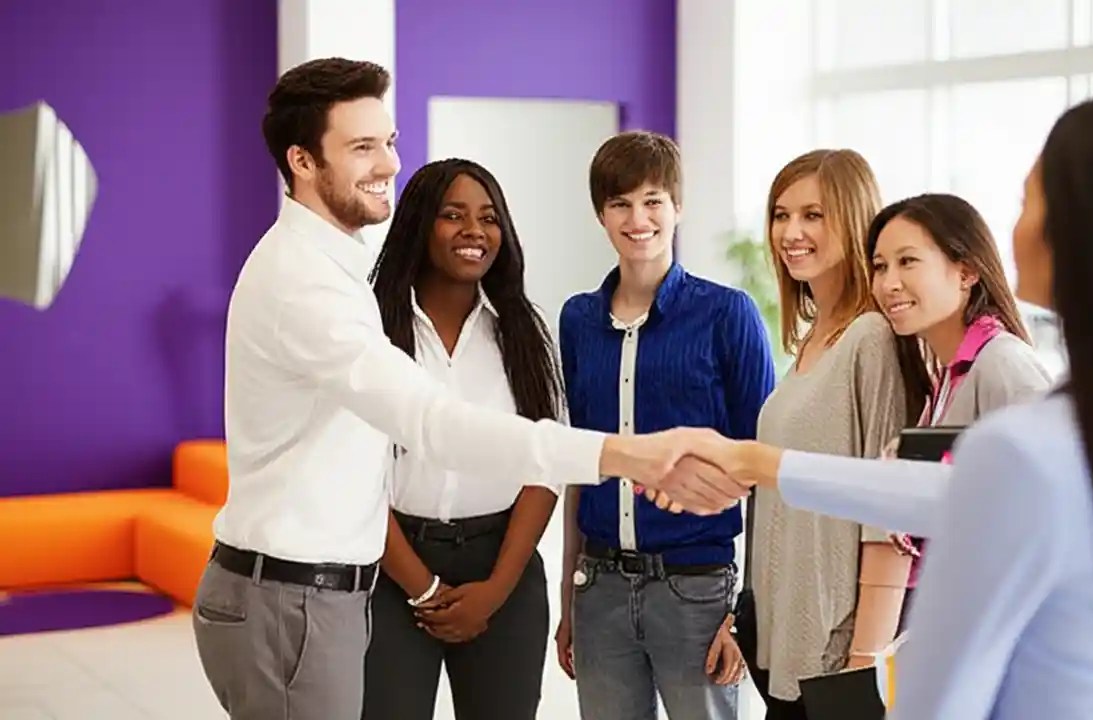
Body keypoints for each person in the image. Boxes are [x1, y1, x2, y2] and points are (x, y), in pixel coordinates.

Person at [661, 96, 1093, 718]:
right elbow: (937, 495)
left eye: (1028, 200)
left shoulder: (1023, 443)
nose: (1013, 227)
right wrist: (754, 462)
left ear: (1081, 230)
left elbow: (937, 698)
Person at [193, 57, 724, 720]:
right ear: (302, 161)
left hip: (320, 594)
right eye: (362, 147)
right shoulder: (308, 283)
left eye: (388, 142)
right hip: (297, 596)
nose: (388, 163)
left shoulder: (338, 272)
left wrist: (498, 583)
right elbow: (430, 423)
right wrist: (625, 455)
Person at [556, 130, 776, 720]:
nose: (638, 219)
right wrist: (566, 596)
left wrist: (745, 609)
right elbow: (581, 459)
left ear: (677, 207)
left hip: (696, 591)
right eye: (620, 204)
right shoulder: (578, 320)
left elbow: (764, 471)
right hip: (597, 586)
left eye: (653, 201)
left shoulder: (728, 315)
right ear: (601, 213)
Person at [360, 159, 562, 718]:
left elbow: (544, 466)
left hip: (504, 563)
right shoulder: (370, 330)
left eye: (489, 217)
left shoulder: (522, 331)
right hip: (390, 570)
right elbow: (352, 474)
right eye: (454, 215)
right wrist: (422, 587)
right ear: (421, 226)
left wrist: (498, 587)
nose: (475, 230)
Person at [740, 149, 907, 719]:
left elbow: (889, 514)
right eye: (781, 215)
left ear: (855, 217)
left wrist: (865, 660)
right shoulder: (813, 340)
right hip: (785, 647)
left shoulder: (871, 338)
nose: (792, 232)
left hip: (837, 659)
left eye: (814, 214)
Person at [866, 193, 1052, 602]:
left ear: (966, 271)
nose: (888, 283)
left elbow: (1051, 509)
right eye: (880, 267)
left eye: (907, 261)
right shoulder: (945, 380)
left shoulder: (1002, 364)